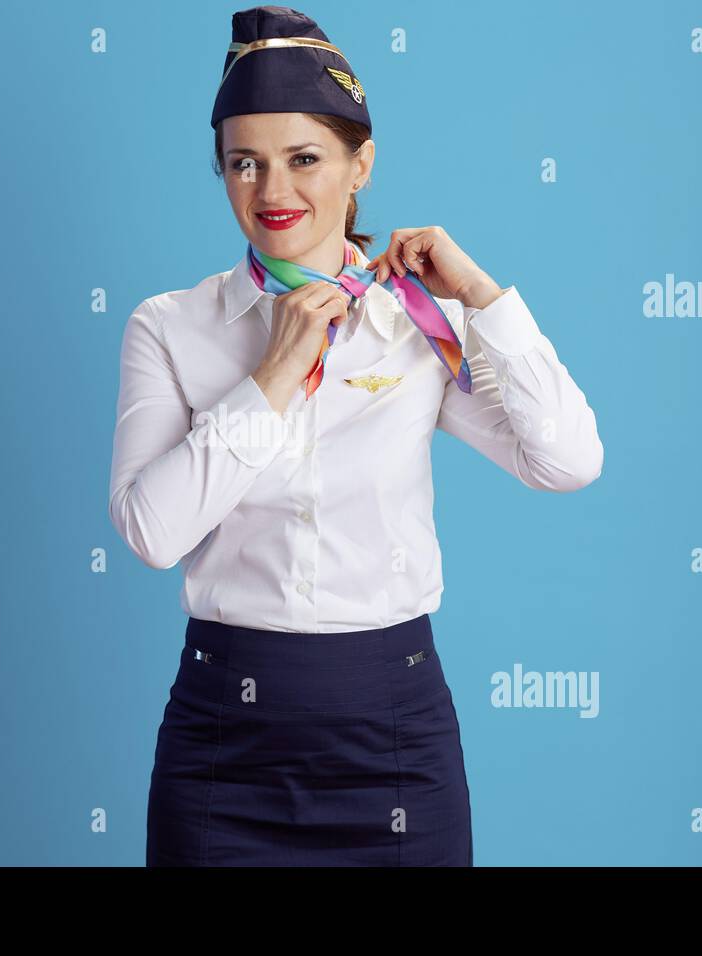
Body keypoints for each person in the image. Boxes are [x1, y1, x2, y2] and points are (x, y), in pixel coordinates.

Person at [108, 4, 604, 866]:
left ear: (359, 165)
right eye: (244, 164)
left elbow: (565, 462)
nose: (273, 192)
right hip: (224, 743)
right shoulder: (170, 325)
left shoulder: (420, 323)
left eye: (304, 159)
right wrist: (274, 372)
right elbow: (151, 532)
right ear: (221, 171)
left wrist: (485, 299)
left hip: (395, 740)